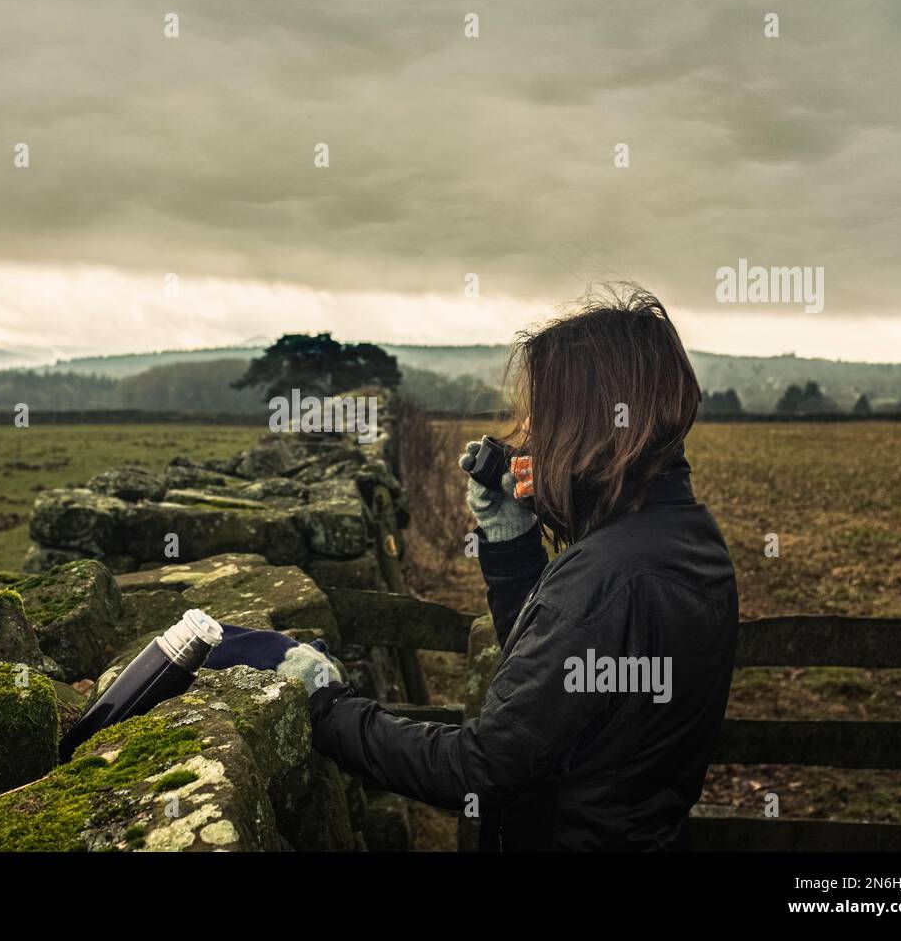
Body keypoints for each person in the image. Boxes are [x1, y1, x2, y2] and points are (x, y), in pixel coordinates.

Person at [294, 286, 739, 850]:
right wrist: (511, 543)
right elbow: (549, 698)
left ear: (589, 422)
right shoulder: (688, 536)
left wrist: (327, 709)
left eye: (542, 411)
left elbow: (482, 766)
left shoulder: (605, 579)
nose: (525, 429)